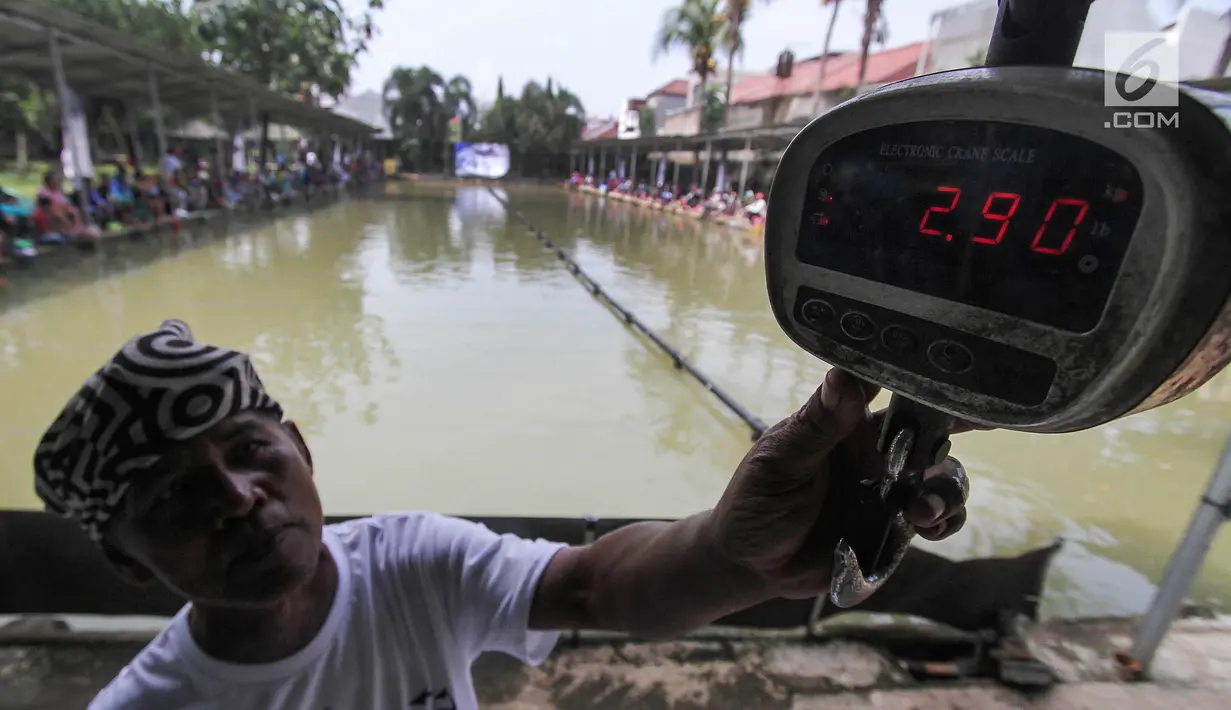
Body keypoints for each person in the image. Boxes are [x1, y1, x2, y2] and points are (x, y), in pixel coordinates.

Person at [34, 320, 971, 710]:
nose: (238, 498)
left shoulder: (409, 563)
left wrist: (735, 552)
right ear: (127, 562)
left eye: (248, 452)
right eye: (176, 499)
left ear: (302, 451)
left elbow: (599, 583)